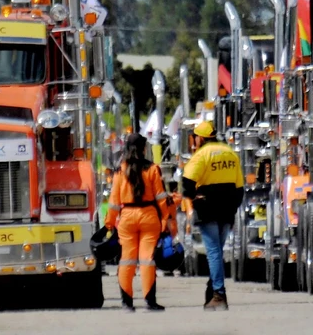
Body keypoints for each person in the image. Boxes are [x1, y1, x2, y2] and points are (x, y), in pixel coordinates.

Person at [104, 133, 176, 313]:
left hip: (127, 217)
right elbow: (161, 197)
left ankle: (127, 303)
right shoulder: (152, 169)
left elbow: (114, 201)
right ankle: (150, 301)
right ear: (144, 149)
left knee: (127, 260)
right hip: (148, 216)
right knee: (147, 260)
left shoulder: (120, 170)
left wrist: (109, 223)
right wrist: (165, 218)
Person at [181, 121, 243, 311]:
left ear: (200, 138)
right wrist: (233, 210)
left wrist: (194, 197)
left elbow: (187, 183)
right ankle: (213, 290)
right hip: (227, 210)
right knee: (217, 252)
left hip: (208, 210)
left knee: (214, 253)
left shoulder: (201, 155)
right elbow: (239, 188)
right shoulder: (230, 153)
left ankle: (218, 294)